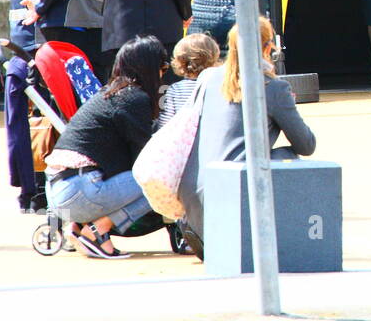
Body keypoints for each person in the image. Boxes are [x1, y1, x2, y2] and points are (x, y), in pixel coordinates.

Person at [178, 16, 316, 258]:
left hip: (192, 199)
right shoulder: (272, 87)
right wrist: (287, 107)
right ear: (267, 47)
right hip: (231, 195)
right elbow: (306, 145)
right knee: (288, 156)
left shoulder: (208, 79)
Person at [43, 35, 166, 259]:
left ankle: (79, 228)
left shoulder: (110, 93)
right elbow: (146, 157)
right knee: (163, 180)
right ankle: (98, 231)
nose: (162, 73)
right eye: (162, 66)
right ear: (149, 68)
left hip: (56, 194)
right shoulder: (134, 99)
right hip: (78, 192)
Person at [1, 0, 63, 212]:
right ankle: (37, 190)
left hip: (22, 32)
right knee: (40, 115)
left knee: (30, 114)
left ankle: (33, 189)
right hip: (32, 34)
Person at [156, 32, 221, 129]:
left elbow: (165, 124)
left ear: (179, 60)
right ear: (214, 56)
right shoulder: (219, 86)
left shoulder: (175, 89)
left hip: (184, 141)